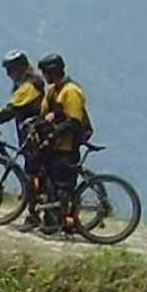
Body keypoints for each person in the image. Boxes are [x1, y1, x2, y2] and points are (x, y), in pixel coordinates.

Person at [0, 51, 46, 228]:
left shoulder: (31, 85)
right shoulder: (23, 83)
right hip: (29, 133)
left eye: (10, 69)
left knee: (33, 174)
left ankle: (34, 216)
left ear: (19, 68)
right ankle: (46, 214)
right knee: (36, 172)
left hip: (37, 134)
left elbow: (13, 109)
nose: (8, 73)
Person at [34, 53, 91, 234]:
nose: (43, 76)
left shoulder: (71, 91)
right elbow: (45, 114)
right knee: (48, 181)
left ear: (52, 72)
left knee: (63, 185)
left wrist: (53, 134)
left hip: (66, 147)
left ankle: (67, 222)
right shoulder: (53, 90)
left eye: (45, 72)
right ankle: (51, 221)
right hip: (54, 146)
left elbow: (74, 121)